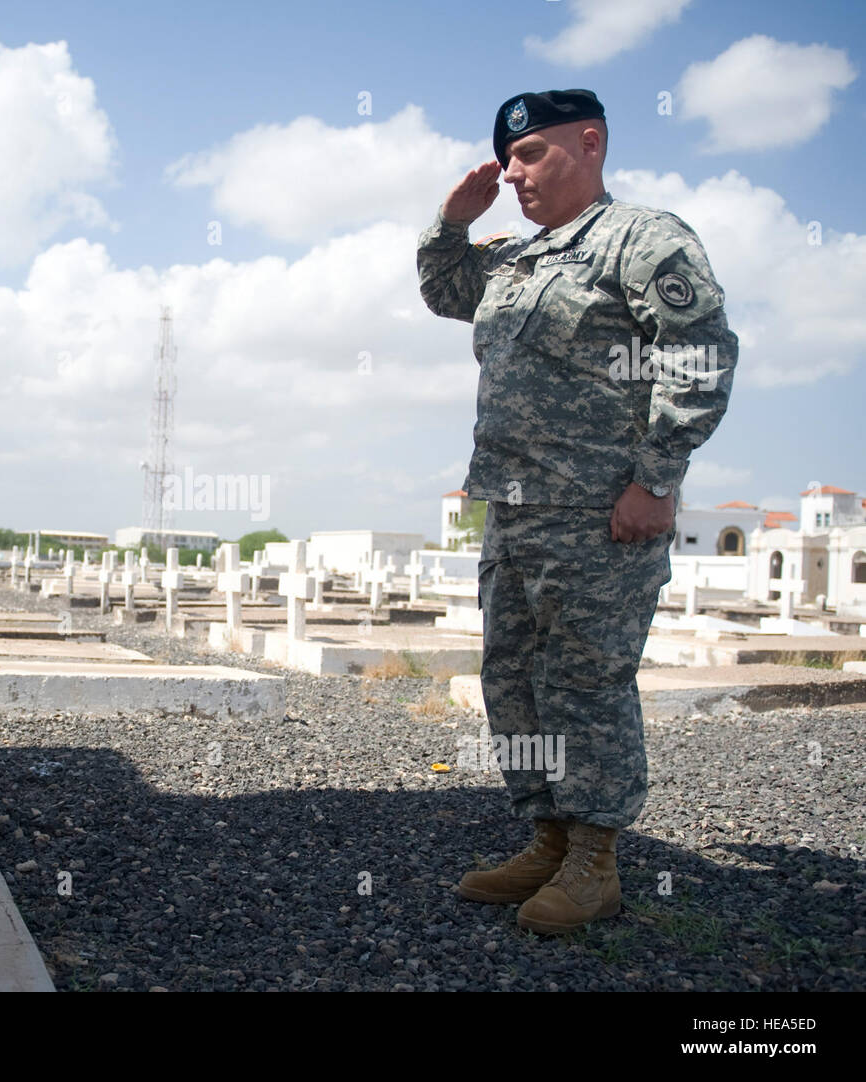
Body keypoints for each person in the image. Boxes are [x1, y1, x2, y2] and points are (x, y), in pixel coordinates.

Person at [416, 89, 738, 934]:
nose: (516, 174)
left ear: (589, 143)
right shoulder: (518, 261)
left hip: (600, 512)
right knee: (514, 681)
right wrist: (451, 222)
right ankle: (549, 837)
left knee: (586, 683)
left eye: (532, 155)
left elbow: (698, 353)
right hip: (516, 513)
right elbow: (448, 291)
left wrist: (656, 479)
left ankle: (596, 859)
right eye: (508, 160)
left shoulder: (640, 239)